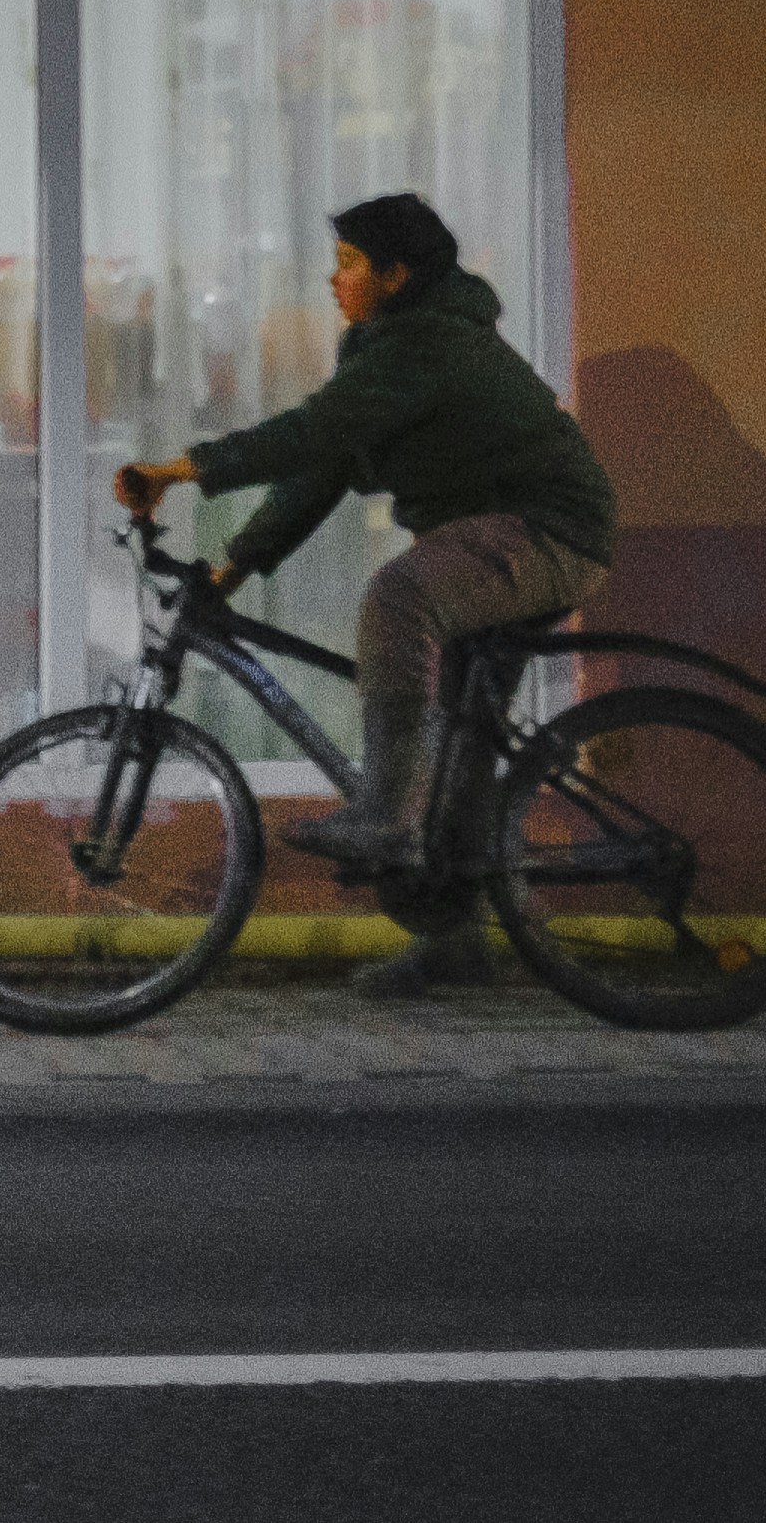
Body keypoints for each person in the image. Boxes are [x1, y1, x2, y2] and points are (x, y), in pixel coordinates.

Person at [117, 191, 621, 998]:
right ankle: (455, 944)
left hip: (545, 533)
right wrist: (234, 568)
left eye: (350, 264)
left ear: (396, 274)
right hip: (490, 537)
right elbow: (324, 468)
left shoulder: (428, 344)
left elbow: (309, 434)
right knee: (460, 749)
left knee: (399, 598)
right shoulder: (383, 349)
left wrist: (180, 470)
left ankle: (384, 812)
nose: (332, 278)